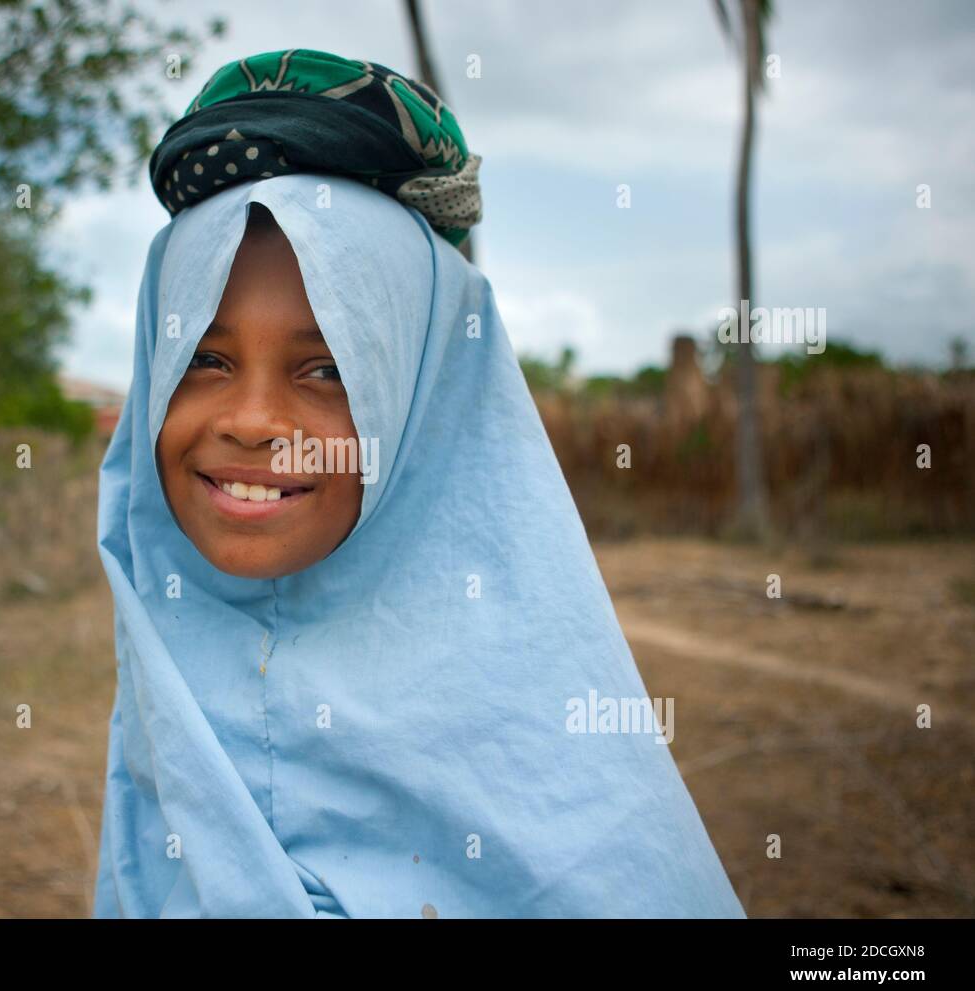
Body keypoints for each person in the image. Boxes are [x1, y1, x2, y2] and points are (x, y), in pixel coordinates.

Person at [93, 49, 745, 918]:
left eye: (326, 368)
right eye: (205, 359)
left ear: (424, 403)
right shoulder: (163, 681)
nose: (251, 419)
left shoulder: (563, 788)